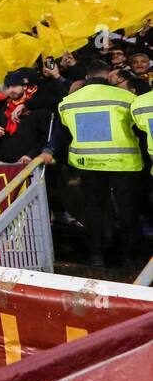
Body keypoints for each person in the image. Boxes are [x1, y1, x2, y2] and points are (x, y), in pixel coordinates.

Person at [57, 60, 144, 268]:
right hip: (123, 163)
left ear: (87, 77)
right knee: (127, 211)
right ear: (108, 76)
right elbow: (139, 127)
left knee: (94, 211)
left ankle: (96, 256)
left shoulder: (68, 101)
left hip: (88, 163)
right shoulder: (126, 97)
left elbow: (67, 128)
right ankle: (131, 258)